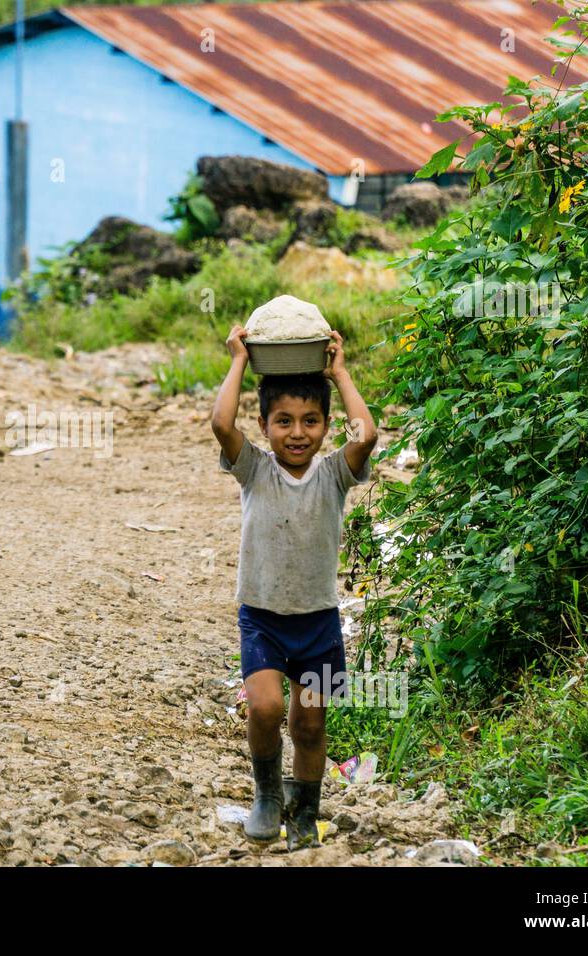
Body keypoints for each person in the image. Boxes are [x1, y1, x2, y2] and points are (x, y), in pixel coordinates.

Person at [210, 325, 377, 849]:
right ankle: (266, 794)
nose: (298, 432)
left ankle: (304, 806)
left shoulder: (334, 474)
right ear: (263, 425)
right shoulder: (255, 469)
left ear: (326, 426)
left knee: (308, 724)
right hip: (262, 616)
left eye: (310, 421)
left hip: (318, 621)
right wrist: (239, 359)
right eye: (284, 421)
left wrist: (340, 372)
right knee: (262, 707)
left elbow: (366, 434)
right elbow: (219, 422)